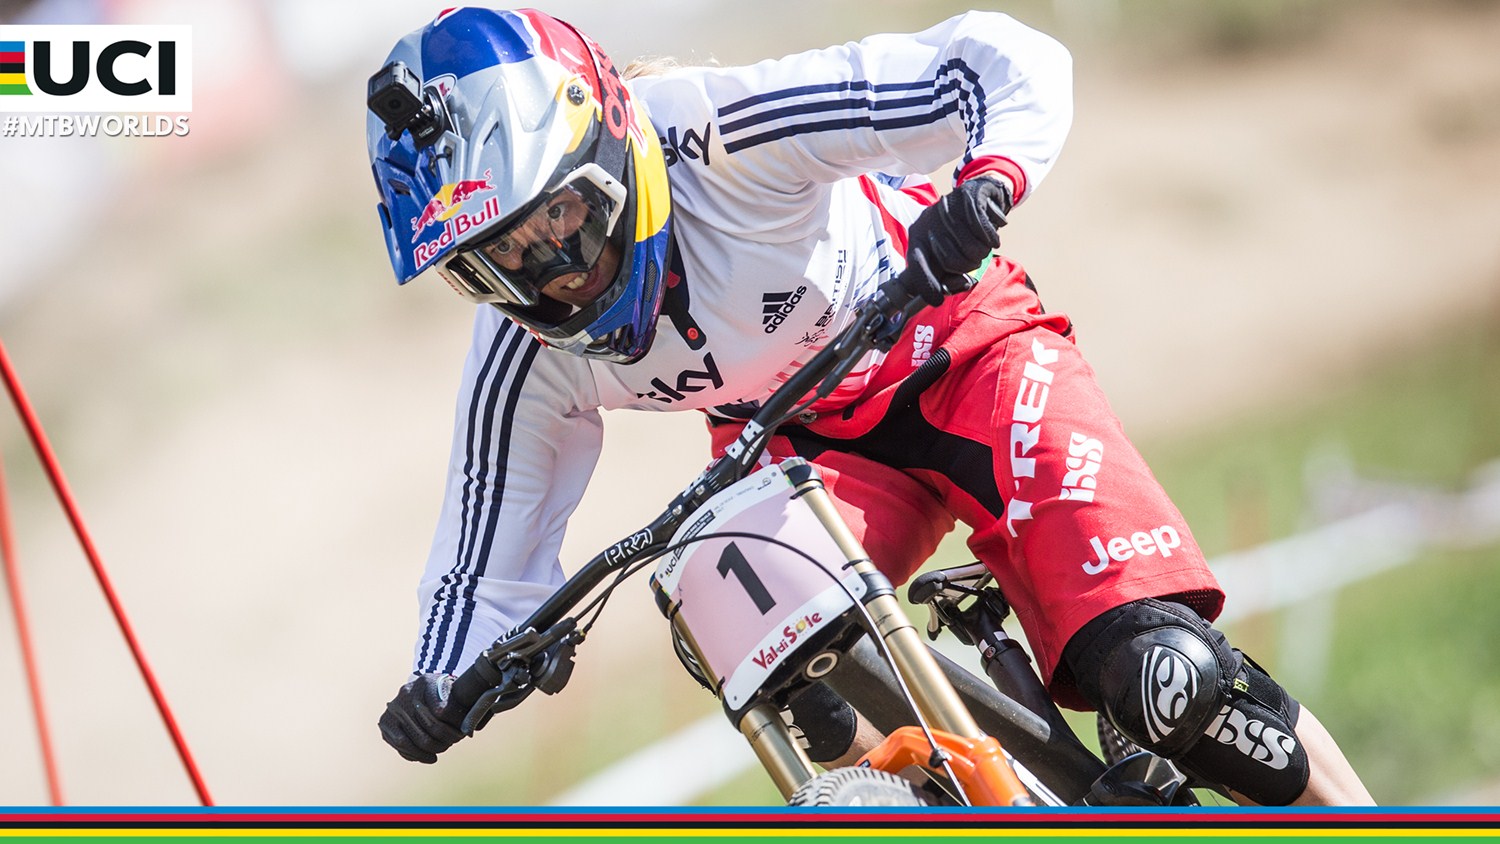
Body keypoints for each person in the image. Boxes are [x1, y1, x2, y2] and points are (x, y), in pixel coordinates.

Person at [367, 7, 1373, 806]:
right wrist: (442, 684)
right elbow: (482, 553)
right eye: (499, 263)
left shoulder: (724, 133)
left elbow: (998, 61)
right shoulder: (526, 348)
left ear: (613, 137)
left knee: (1167, 677)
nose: (555, 275)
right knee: (726, 606)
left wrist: (991, 179)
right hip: (796, 440)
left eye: (564, 216)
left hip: (963, 351)